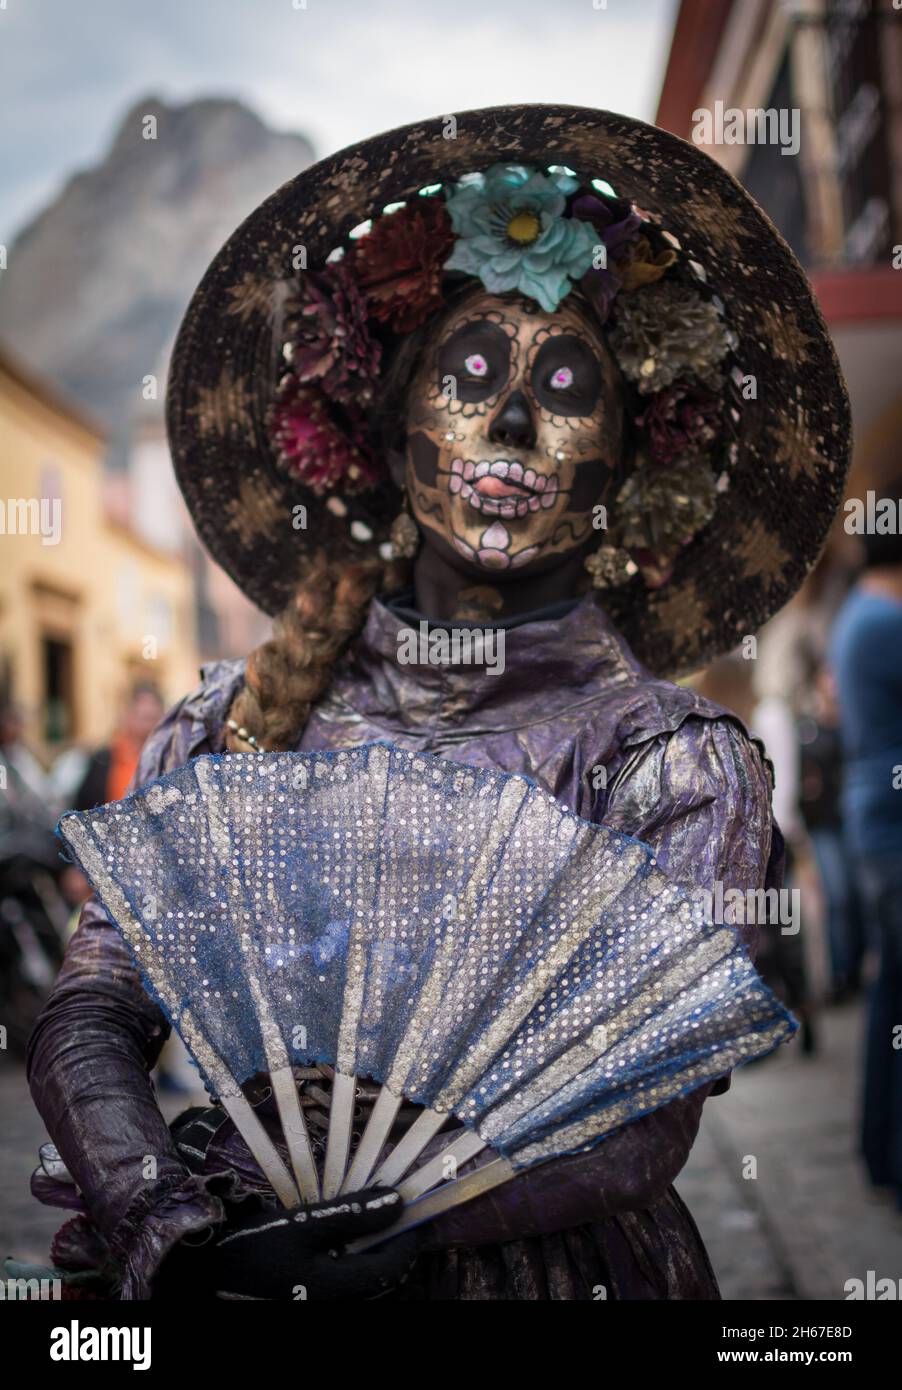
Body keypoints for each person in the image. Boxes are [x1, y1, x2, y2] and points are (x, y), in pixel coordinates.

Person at [25, 105, 850, 1300]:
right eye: (469, 376)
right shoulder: (238, 726)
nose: (510, 422)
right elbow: (96, 998)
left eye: (562, 386)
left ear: (623, 460)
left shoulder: (670, 764)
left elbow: (641, 1114)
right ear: (386, 422)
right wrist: (161, 1208)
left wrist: (403, 1228)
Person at [830, 485, 902, 1208]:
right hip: (894, 828)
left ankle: (883, 1150)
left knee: (893, 991)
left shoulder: (860, 616)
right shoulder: (886, 623)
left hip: (876, 821)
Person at [71, 682, 164, 811]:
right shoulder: (103, 759)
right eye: (143, 717)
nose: (147, 726)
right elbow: (83, 806)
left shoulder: (168, 759)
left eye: (152, 718)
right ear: (127, 716)